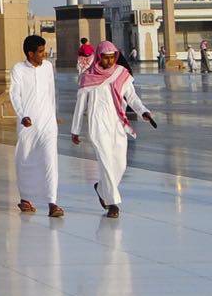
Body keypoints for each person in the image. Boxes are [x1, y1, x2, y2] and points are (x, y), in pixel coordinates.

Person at [70, 40, 156, 218]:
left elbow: (132, 97)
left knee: (120, 164)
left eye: (112, 57)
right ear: (99, 57)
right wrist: (75, 129)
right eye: (105, 58)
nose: (109, 61)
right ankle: (112, 204)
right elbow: (80, 106)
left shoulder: (121, 73)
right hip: (97, 123)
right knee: (106, 162)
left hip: (117, 122)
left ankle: (102, 188)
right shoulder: (88, 77)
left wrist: (143, 111)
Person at [10, 34, 63, 217]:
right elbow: (15, 94)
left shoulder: (47, 67)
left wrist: (53, 116)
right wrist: (22, 115)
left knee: (50, 160)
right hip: (28, 124)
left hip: (48, 123)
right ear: (30, 53)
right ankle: (25, 198)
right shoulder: (18, 69)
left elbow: (51, 93)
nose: (44, 54)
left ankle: (52, 203)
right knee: (25, 159)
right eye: (40, 51)